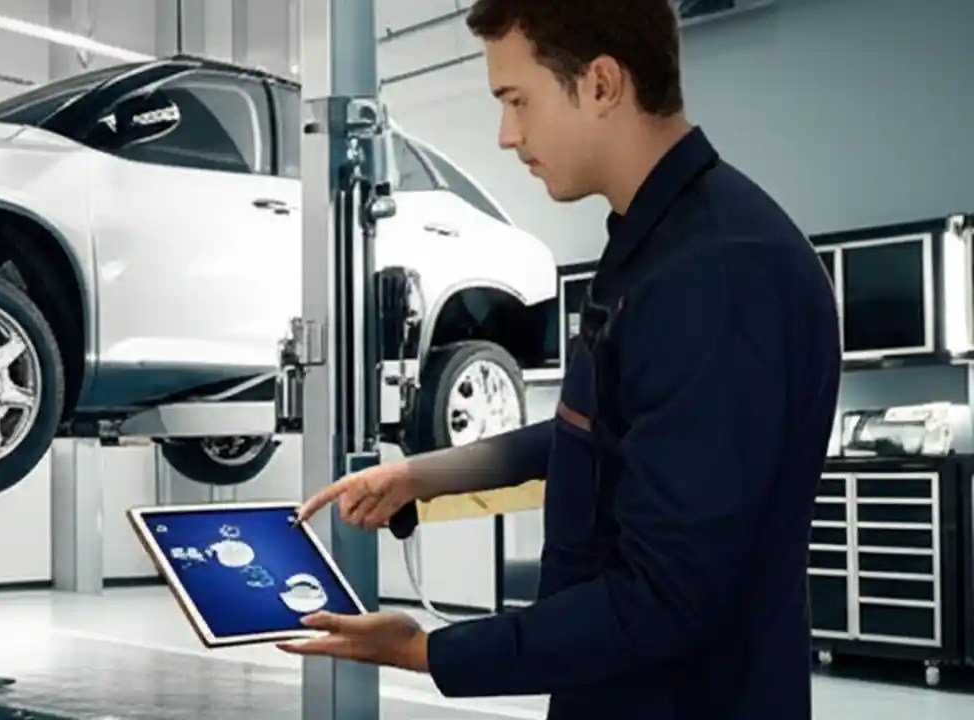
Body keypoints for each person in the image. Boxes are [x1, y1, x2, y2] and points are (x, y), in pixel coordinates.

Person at [276, 1, 842, 718]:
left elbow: (663, 601)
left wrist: (424, 651)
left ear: (602, 84)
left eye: (518, 101)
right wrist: (422, 475)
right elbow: (609, 430)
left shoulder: (719, 274)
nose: (508, 136)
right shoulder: (656, 247)